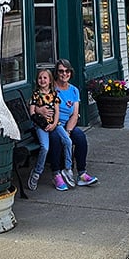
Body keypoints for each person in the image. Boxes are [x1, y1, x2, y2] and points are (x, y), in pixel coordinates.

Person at [47, 59, 98, 189]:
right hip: (52, 125)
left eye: (67, 71)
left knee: (80, 137)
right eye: (61, 71)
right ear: (56, 73)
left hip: (67, 125)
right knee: (55, 138)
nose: (64, 74)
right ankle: (56, 174)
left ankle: (82, 174)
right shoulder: (51, 88)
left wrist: (68, 131)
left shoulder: (74, 90)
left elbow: (75, 114)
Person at [27, 69, 73, 191]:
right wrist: (42, 123)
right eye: (40, 78)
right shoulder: (35, 95)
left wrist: (53, 124)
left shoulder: (54, 94)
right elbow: (32, 113)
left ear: (50, 80)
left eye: (45, 78)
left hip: (54, 124)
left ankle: (67, 168)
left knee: (67, 141)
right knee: (45, 147)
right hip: (41, 126)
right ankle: (37, 172)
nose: (42, 80)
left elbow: (57, 111)